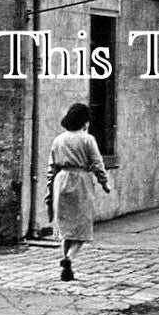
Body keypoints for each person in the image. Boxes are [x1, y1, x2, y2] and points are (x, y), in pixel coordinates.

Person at [47, 103, 111, 281]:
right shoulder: (87, 139)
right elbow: (97, 163)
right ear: (85, 121)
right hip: (81, 181)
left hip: (62, 181)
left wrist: (49, 191)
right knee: (82, 226)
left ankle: (65, 261)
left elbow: (51, 168)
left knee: (65, 226)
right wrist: (104, 183)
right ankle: (69, 259)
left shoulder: (58, 140)